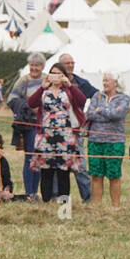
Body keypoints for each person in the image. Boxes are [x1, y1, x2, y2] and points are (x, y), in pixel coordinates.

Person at [28, 62, 85, 203]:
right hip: (46, 135)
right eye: (52, 73)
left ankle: (64, 207)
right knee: (46, 171)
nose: (55, 77)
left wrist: (70, 85)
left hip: (65, 136)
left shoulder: (69, 91)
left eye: (59, 74)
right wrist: (42, 87)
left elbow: (82, 101)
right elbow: (31, 103)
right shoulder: (44, 90)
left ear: (64, 76)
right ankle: (46, 203)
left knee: (63, 172)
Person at [83, 72, 130, 207]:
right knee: (96, 175)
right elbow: (90, 114)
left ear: (116, 82)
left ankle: (115, 206)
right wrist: (106, 112)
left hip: (114, 142)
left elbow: (117, 114)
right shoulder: (96, 96)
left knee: (114, 175)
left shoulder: (124, 98)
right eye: (103, 80)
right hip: (95, 141)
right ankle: (97, 205)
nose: (105, 83)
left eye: (108, 80)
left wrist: (101, 110)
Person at [58, 53, 97, 203]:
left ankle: (87, 199)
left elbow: (96, 95)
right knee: (57, 167)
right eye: (67, 63)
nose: (70, 66)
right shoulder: (53, 82)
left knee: (80, 167)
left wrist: (88, 113)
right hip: (57, 130)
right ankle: (58, 198)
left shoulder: (81, 83)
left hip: (75, 130)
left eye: (71, 63)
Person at [7, 52, 46, 199]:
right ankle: (29, 192)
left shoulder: (46, 80)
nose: (34, 68)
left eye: (37, 65)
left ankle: (36, 191)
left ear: (42, 66)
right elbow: (11, 99)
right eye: (32, 65)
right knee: (30, 158)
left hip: (45, 124)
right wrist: (28, 107)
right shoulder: (23, 81)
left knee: (41, 158)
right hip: (29, 124)